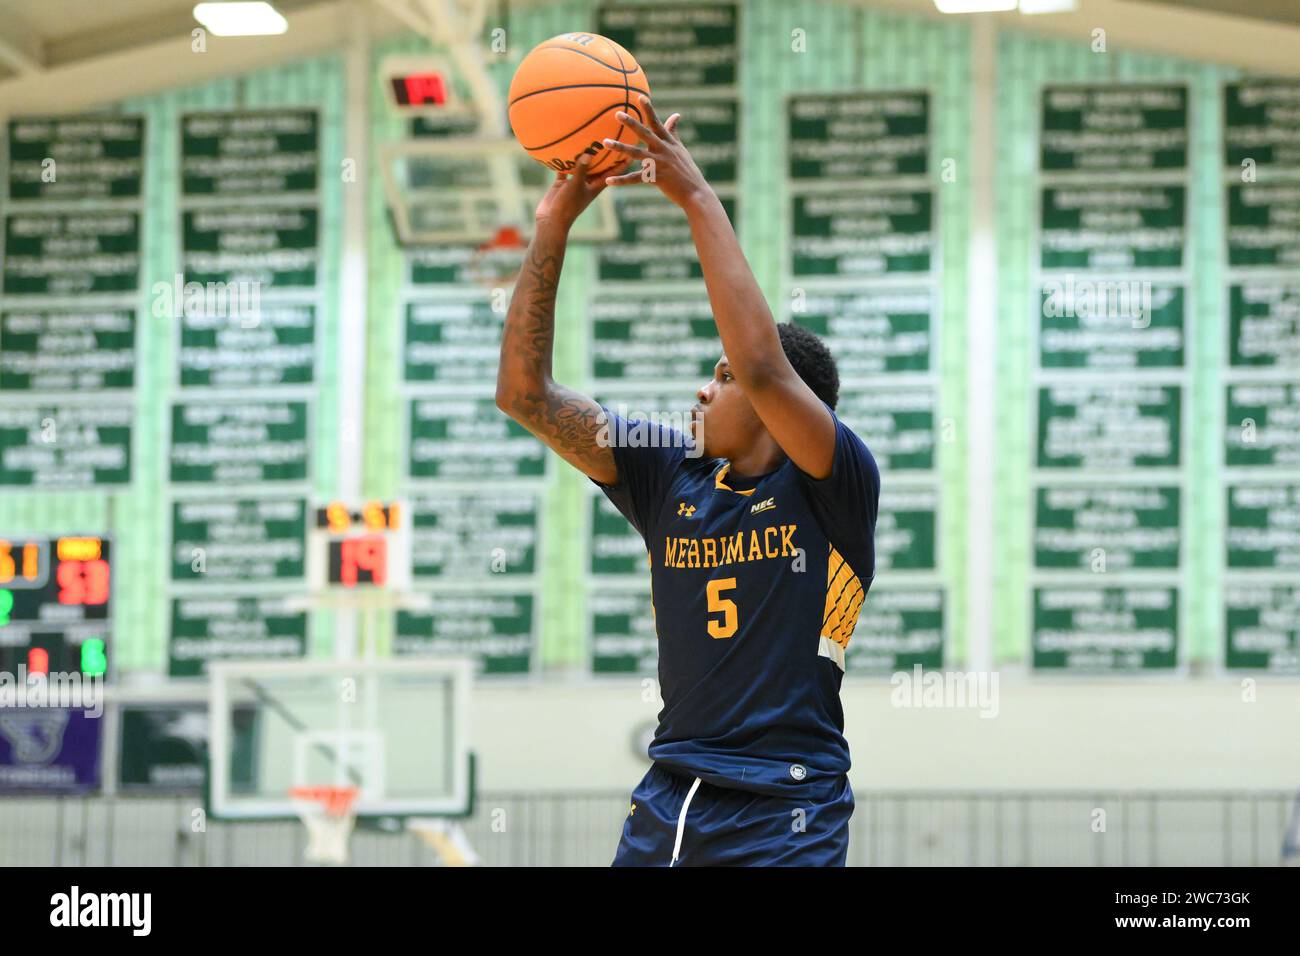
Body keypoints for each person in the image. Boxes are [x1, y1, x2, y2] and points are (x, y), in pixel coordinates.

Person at [495, 95, 880, 866]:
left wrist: (696, 197)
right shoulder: (666, 472)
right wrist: (552, 226)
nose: (704, 390)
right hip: (671, 795)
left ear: (782, 411)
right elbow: (524, 396)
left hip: (788, 805)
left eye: (722, 377)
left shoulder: (834, 483)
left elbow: (768, 367)